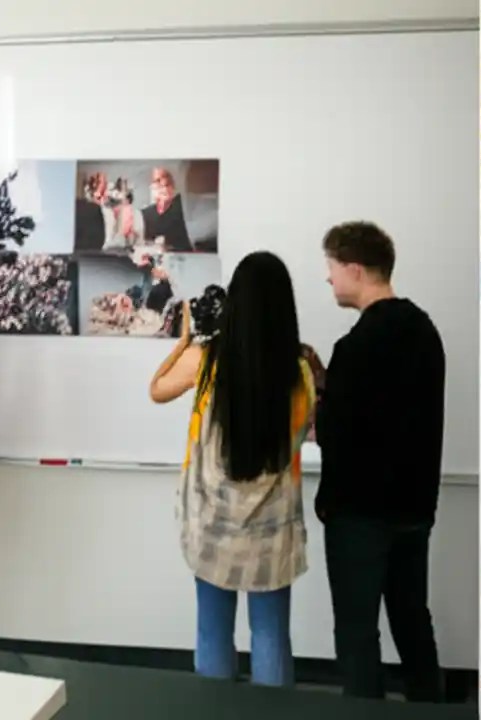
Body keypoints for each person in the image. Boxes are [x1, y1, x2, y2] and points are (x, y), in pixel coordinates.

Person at [148, 250, 316, 687]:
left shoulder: (207, 362)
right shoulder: (301, 372)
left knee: (213, 631)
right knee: (271, 635)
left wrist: (186, 338)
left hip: (213, 527)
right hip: (273, 533)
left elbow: (156, 389)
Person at [316, 220, 446, 701]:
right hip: (414, 509)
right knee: (413, 621)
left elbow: (337, 435)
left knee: (357, 632)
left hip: (359, 515)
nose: (328, 278)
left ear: (354, 269)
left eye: (332, 268)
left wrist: (319, 399)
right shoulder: (425, 332)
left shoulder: (354, 348)